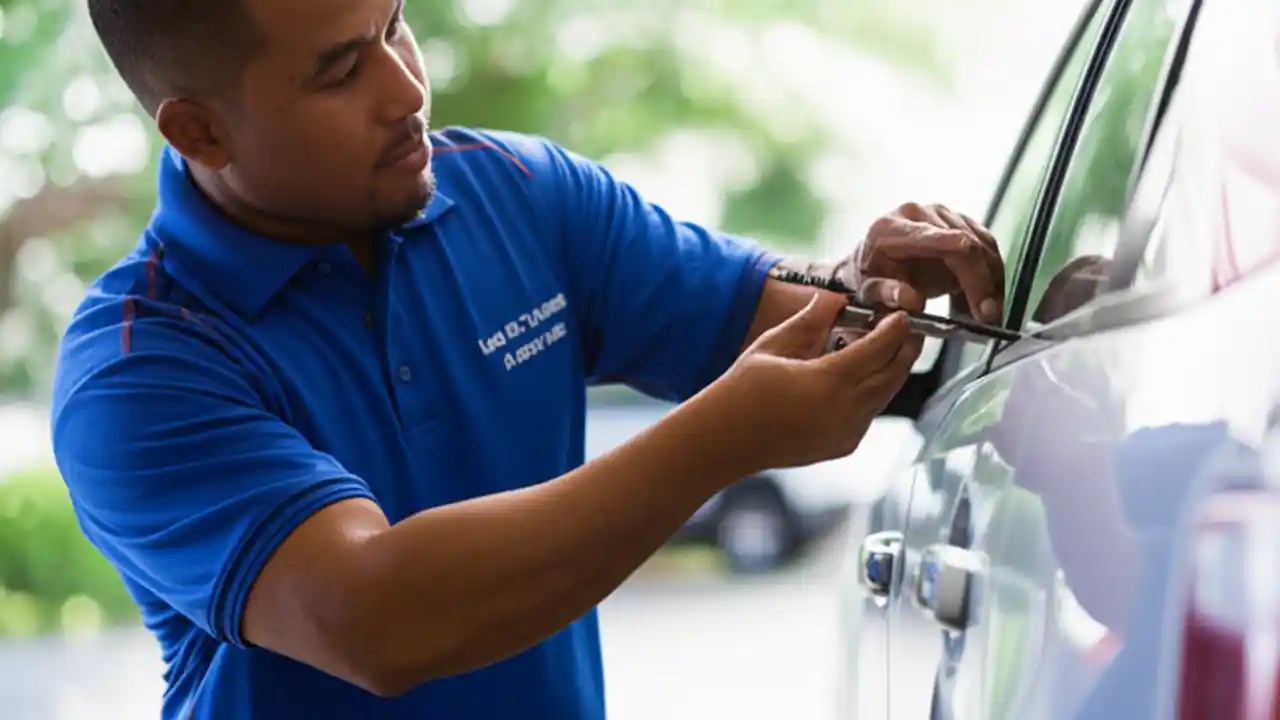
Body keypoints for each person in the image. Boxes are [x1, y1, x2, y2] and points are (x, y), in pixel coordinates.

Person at [51, 0, 1004, 718]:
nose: (406, 89)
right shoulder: (139, 368)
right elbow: (377, 619)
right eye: (342, 71)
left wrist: (873, 289)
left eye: (395, 25)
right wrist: (715, 443)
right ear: (198, 130)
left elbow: (791, 329)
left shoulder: (519, 192)